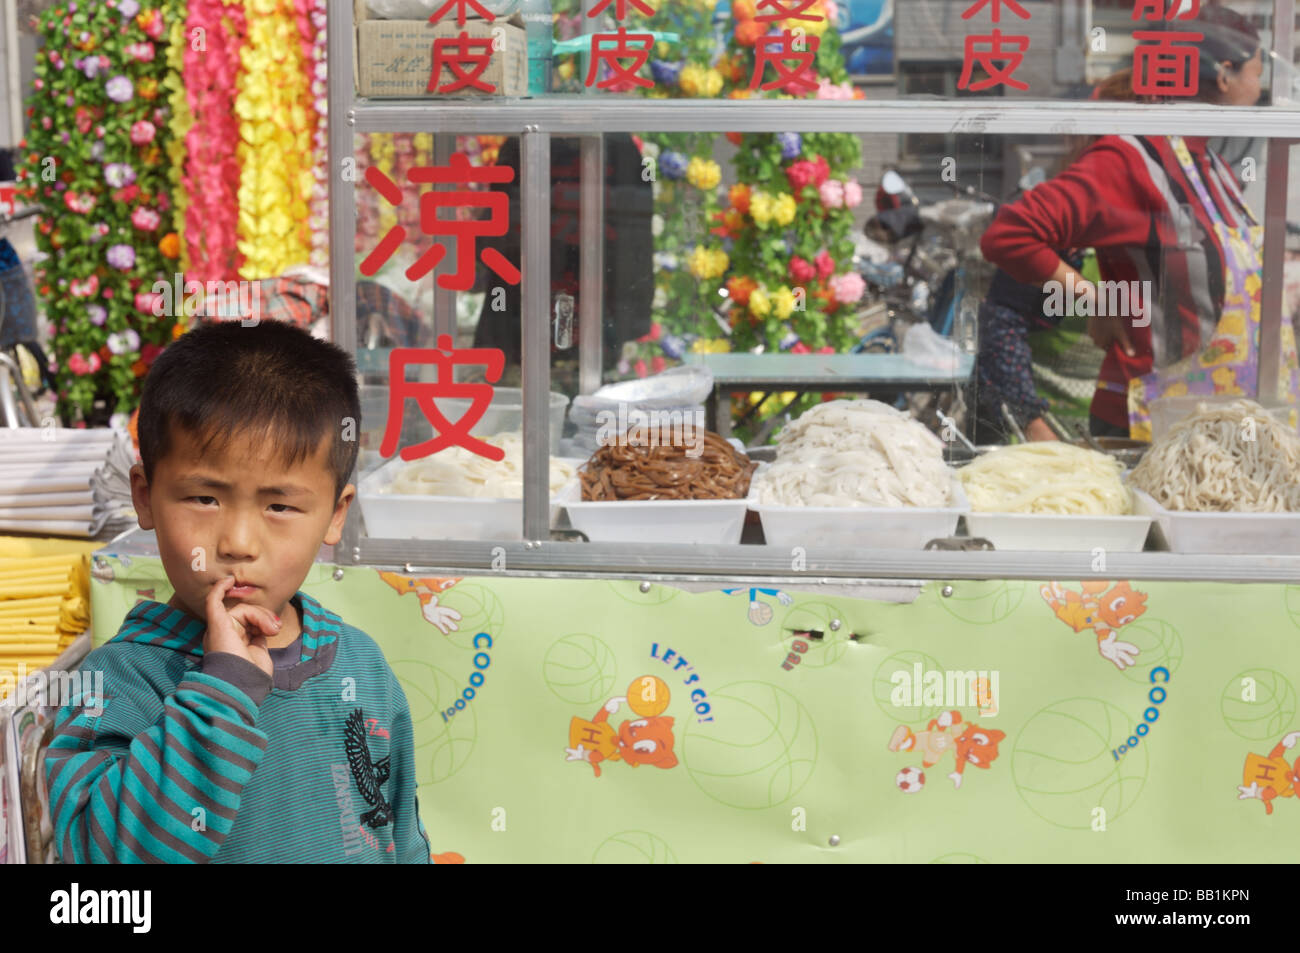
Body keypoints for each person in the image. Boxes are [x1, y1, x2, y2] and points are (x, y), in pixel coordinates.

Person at [45, 320, 431, 863]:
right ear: (146, 496)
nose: (239, 542)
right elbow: (100, 864)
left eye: (280, 506)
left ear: (335, 515)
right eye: (204, 498)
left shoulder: (360, 665)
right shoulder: (117, 682)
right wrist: (222, 692)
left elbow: (401, 836)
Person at [980, 5, 1300, 440]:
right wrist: (1098, 300)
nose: (1261, 87)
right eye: (1257, 71)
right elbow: (1010, 234)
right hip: (1156, 422)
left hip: (1228, 421)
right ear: (1225, 74)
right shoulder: (1132, 160)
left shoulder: (1213, 167)